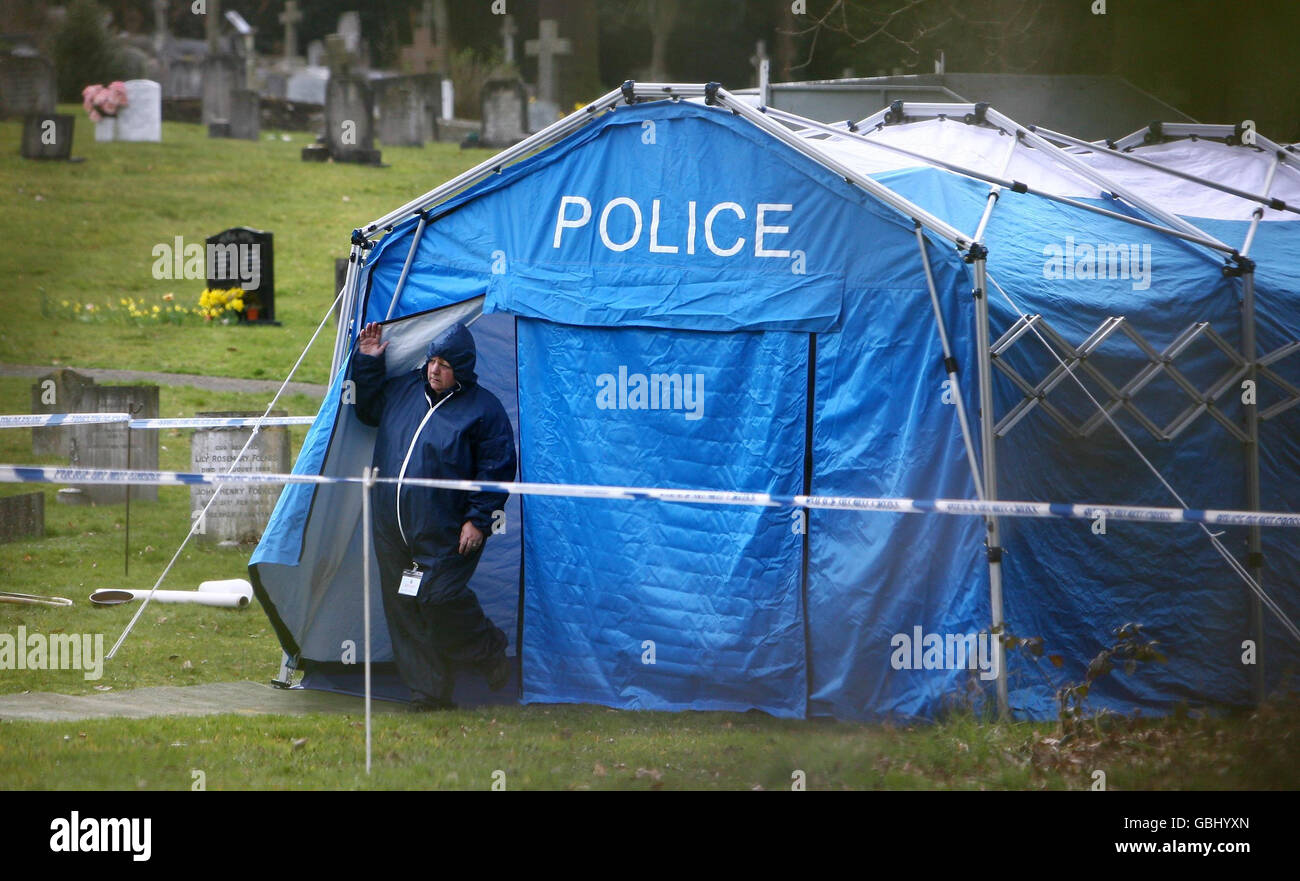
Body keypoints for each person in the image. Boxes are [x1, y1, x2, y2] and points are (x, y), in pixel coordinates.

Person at [352, 319, 517, 710]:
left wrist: (478, 520)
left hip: (446, 530)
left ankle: (488, 649)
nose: (434, 370)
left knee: (439, 597)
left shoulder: (483, 410)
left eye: (444, 364)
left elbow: (496, 467)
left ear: (462, 368)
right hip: (390, 525)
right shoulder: (406, 390)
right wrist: (369, 362)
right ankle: (429, 693)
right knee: (404, 607)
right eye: (431, 361)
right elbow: (367, 410)